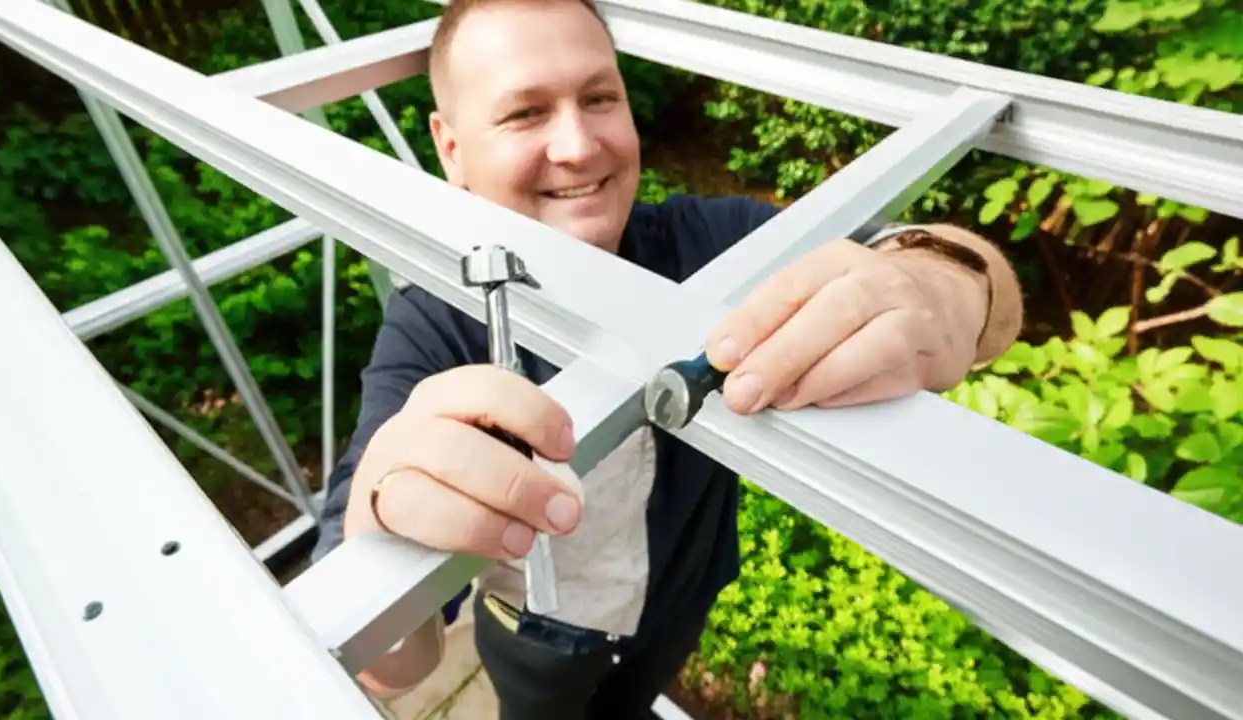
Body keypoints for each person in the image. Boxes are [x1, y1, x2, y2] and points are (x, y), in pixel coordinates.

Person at [312, 0, 1024, 717]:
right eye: (525, 113)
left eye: (600, 98)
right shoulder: (431, 328)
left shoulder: (714, 245)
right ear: (452, 148)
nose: (579, 145)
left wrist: (946, 284)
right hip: (536, 641)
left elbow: (960, 279)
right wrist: (382, 523)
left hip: (681, 605)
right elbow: (386, 666)